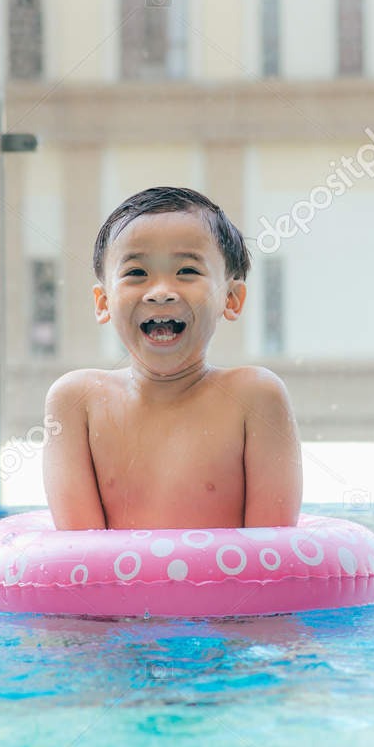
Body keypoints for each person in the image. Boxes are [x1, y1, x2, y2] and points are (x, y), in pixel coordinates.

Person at [42, 186, 302, 530]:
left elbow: (273, 549)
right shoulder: (77, 403)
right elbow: (79, 549)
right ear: (103, 303)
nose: (161, 292)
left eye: (187, 271)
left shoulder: (256, 398)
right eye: (136, 273)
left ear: (231, 299)